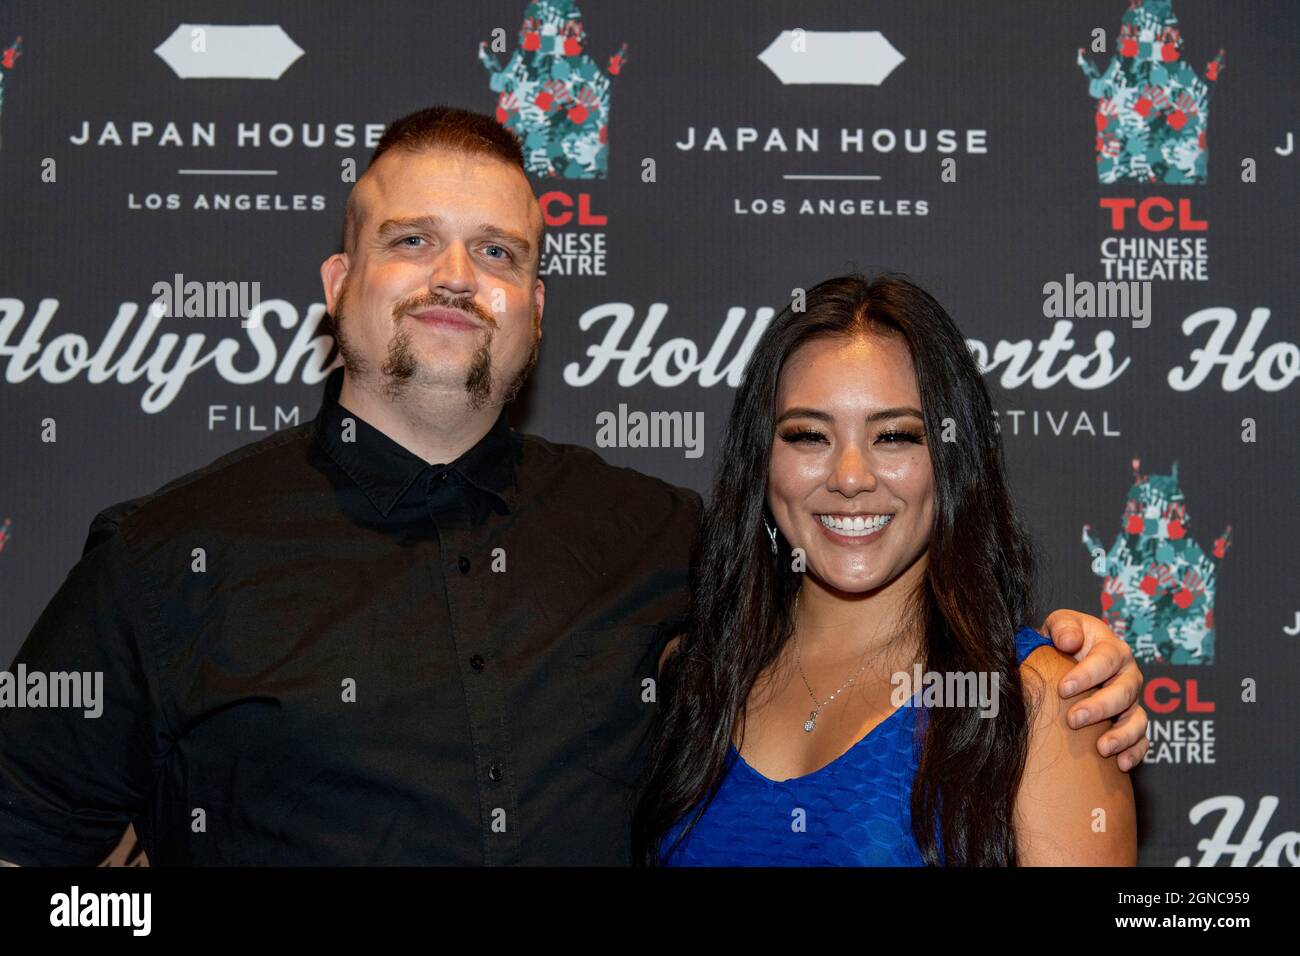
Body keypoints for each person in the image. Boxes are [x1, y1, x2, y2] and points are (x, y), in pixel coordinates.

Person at [0, 108, 1146, 867]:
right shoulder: (165, 554)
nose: (457, 278)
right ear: (339, 285)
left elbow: (875, 617)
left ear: (537, 310)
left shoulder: (662, 540)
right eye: (413, 241)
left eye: (498, 252)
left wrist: (1075, 658)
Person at [635, 274, 1137, 866]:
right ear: (762, 464)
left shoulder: (1043, 702)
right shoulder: (690, 677)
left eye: (894, 436)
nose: (850, 477)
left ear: (952, 458)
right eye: (809, 435)